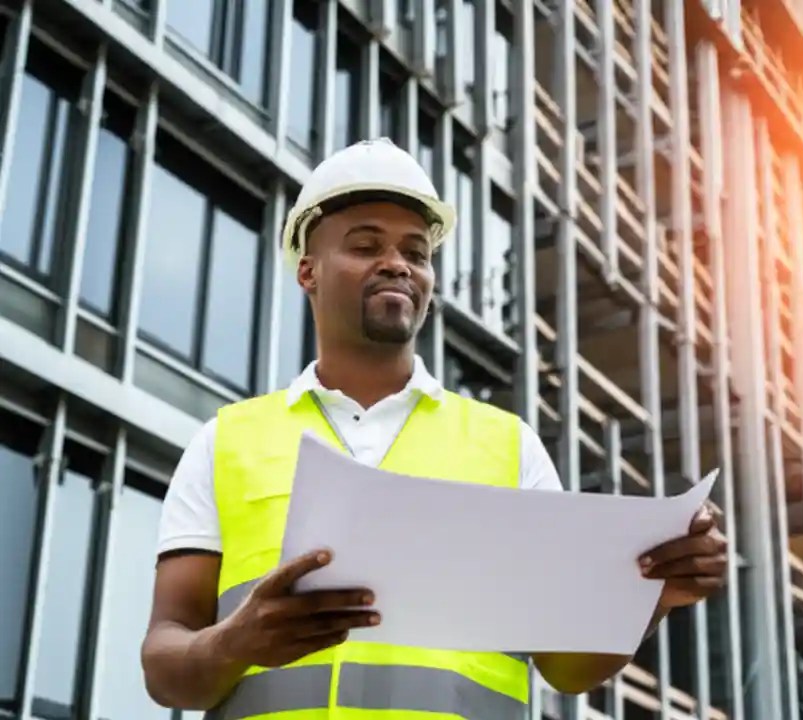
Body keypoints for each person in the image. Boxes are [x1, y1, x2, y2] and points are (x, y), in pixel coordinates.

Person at [141, 138, 728, 719]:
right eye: (366, 244)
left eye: (416, 253)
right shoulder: (227, 441)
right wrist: (233, 643)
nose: (397, 262)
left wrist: (655, 594)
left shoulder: (508, 446)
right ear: (308, 271)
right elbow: (165, 665)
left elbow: (565, 667)